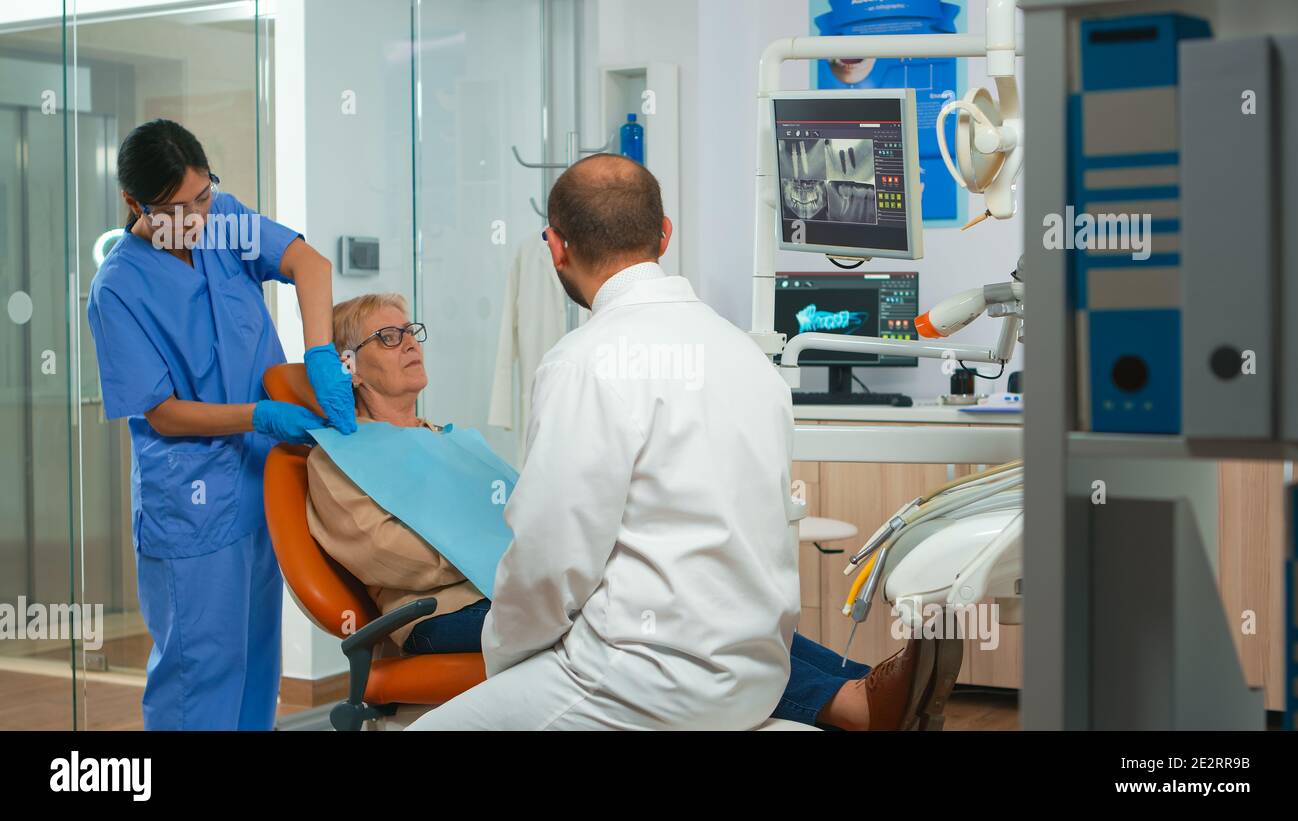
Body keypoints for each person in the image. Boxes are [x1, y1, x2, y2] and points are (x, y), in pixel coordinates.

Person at [395, 153, 939, 730]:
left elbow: (550, 561)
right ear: (665, 235)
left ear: (556, 246)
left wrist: (508, 662)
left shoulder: (584, 363)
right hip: (757, 678)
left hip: (640, 683)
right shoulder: (745, 356)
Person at [306, 293, 955, 730]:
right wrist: (480, 542)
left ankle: (867, 682)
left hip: (501, 584)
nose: (408, 343)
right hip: (440, 613)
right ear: (348, 365)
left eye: (409, 330)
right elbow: (381, 551)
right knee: (649, 600)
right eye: (386, 337)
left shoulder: (450, 438)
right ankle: (849, 704)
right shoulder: (338, 457)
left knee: (701, 585)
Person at [85, 119, 357, 730]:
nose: (197, 218)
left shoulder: (224, 220)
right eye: (176, 208)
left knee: (256, 657)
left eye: (204, 195)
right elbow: (162, 411)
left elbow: (309, 266)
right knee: (200, 671)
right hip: (191, 502)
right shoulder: (119, 289)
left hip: (262, 483)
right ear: (134, 204)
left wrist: (318, 353)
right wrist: (258, 415)